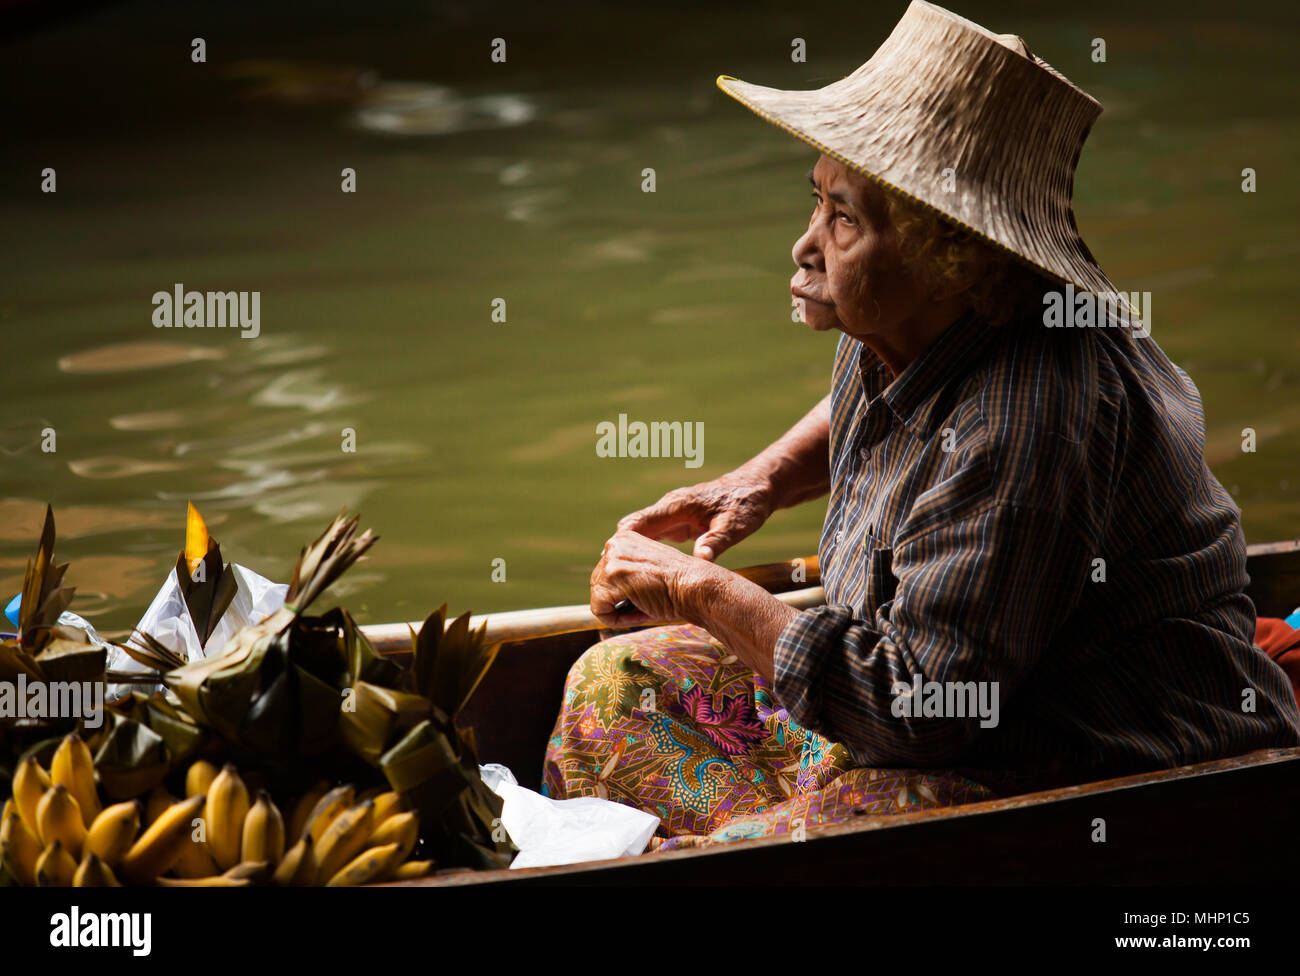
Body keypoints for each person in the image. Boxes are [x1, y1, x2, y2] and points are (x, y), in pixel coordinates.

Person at [543, 1, 1300, 850]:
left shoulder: (1029, 412)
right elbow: (878, 408)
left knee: (748, 849)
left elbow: (925, 707)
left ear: (952, 255)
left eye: (844, 219)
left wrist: (698, 588)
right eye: (816, 201)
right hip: (923, 698)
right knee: (616, 684)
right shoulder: (909, 326)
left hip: (1085, 746)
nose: (804, 246)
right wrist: (759, 479)